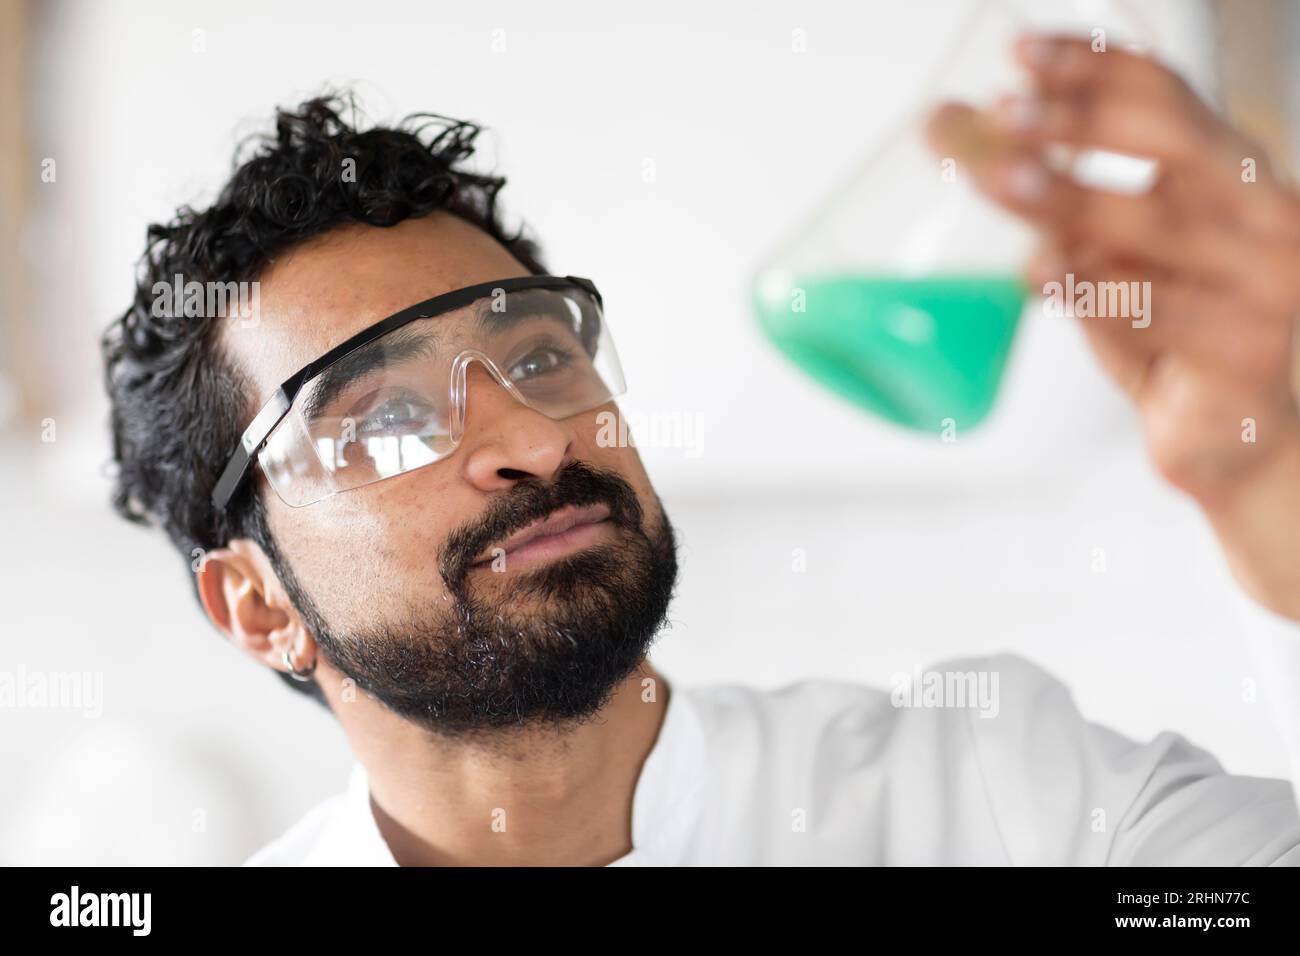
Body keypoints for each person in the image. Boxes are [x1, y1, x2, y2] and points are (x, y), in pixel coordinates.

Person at [101, 35, 1300, 865]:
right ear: (257, 605)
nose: (527, 434)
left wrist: (1271, 483)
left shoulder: (995, 797)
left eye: (536, 355)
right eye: (389, 419)